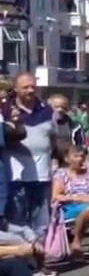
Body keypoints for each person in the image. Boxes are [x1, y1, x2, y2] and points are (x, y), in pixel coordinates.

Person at [3, 74, 55, 235]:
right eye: (26, 87)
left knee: (41, 222)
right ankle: (20, 258)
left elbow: (54, 138)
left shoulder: (47, 110)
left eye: (33, 86)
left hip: (42, 176)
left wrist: (55, 160)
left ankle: (39, 257)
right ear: (16, 89)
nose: (31, 90)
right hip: (16, 176)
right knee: (17, 221)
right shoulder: (6, 110)